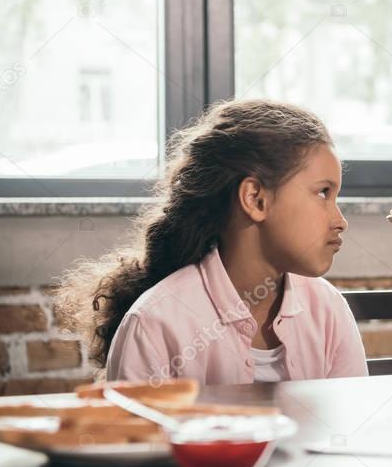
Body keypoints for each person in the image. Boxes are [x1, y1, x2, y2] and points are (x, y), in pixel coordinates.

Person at [56, 99, 367, 384]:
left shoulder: (329, 310)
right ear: (255, 199)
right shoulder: (153, 325)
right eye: (323, 192)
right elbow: (142, 443)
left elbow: (352, 431)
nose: (340, 221)